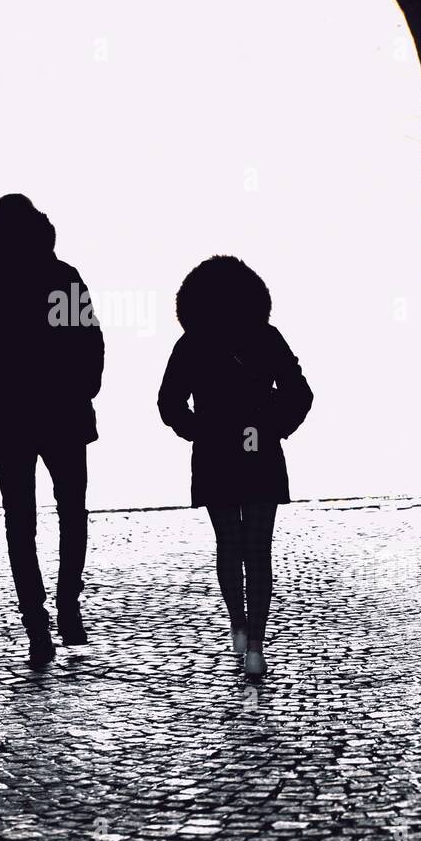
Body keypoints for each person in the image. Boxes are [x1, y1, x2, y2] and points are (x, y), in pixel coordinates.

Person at [0, 195, 104, 668]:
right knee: (72, 512)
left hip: (13, 418)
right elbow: (89, 343)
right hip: (64, 413)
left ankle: (37, 624)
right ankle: (67, 605)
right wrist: (80, 389)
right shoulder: (60, 278)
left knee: (22, 523)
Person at [158, 256, 313, 678]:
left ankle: (238, 627)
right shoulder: (265, 337)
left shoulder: (191, 344)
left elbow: (169, 404)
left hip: (215, 455)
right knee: (258, 550)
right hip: (261, 451)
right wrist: (276, 426)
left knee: (228, 544)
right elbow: (300, 392)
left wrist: (198, 432)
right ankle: (257, 642)